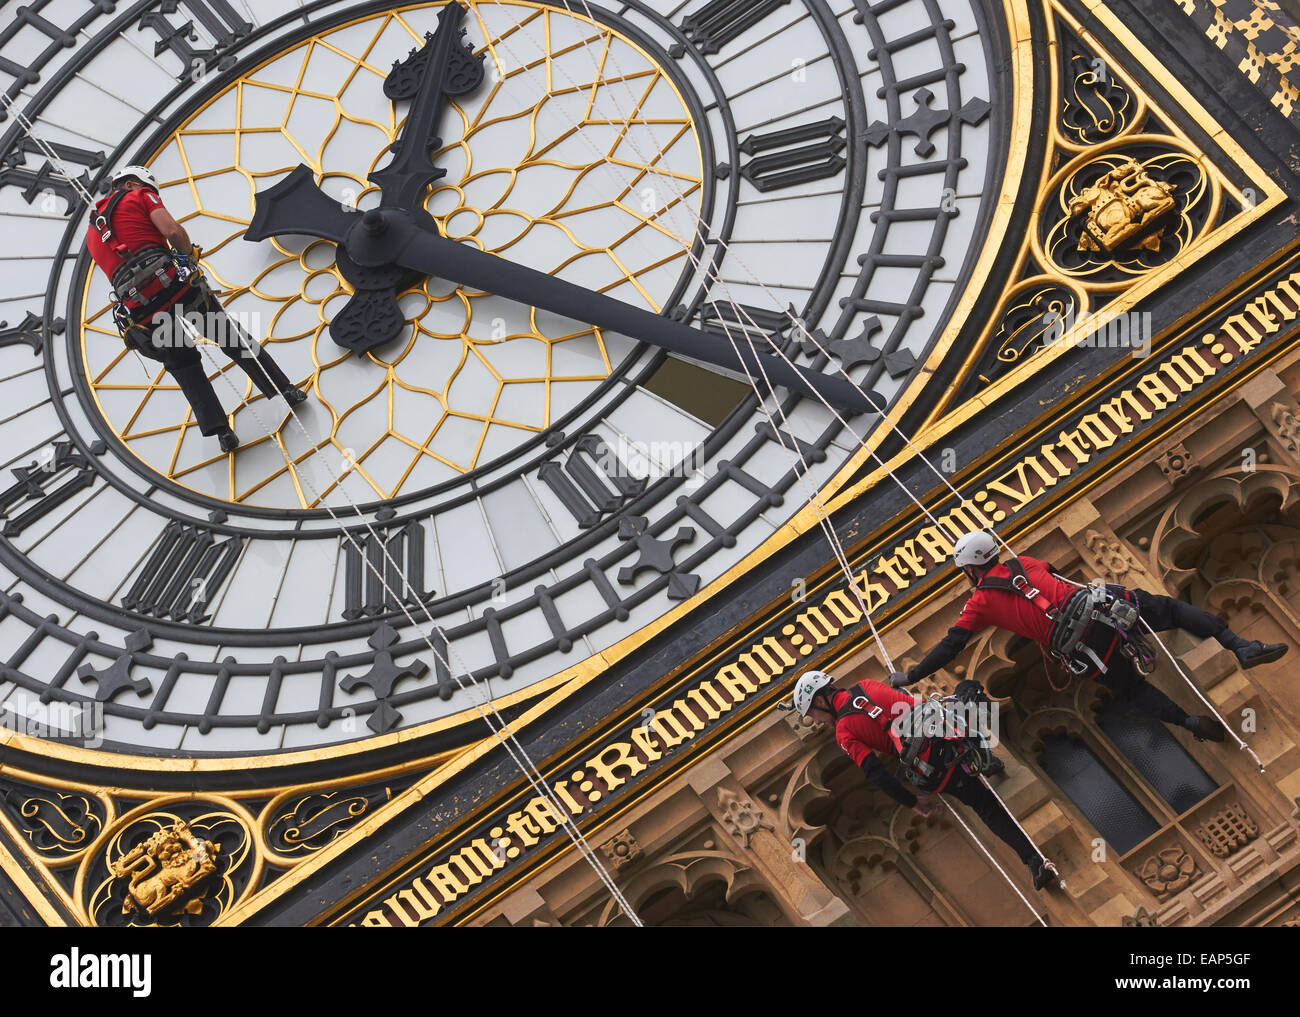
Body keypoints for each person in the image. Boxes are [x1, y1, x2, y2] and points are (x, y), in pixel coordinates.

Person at [892, 531, 1288, 742]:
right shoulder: (1023, 562)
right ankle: (1242, 646)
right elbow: (1047, 572)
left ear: (970, 571)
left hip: (1081, 650)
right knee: (1169, 610)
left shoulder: (979, 602)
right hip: (1100, 613)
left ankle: (1188, 722)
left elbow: (950, 645)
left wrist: (909, 678)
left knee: (1131, 689)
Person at [86, 164, 306, 451]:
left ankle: (221, 432)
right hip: (176, 288)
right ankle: (283, 389)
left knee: (183, 364)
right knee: (230, 336)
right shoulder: (139, 195)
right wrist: (188, 256)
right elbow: (172, 231)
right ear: (130, 184)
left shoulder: (92, 235)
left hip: (144, 312)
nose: (152, 194)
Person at [789, 670, 1061, 891]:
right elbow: (914, 707)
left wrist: (912, 802)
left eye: (814, 714)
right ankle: (984, 756)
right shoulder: (867, 685)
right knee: (969, 690)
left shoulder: (844, 732)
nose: (818, 720)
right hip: (946, 737)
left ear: (821, 701)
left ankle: (1035, 862)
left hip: (932, 771)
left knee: (985, 807)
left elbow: (876, 773)